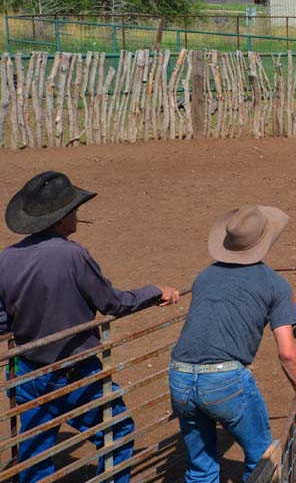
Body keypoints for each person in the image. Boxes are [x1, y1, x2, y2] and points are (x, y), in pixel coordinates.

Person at [0, 171, 181, 483]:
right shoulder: (73, 255)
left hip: (28, 372)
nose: (77, 216)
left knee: (34, 452)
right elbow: (113, 303)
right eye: (74, 210)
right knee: (117, 430)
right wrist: (154, 292)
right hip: (75, 372)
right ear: (60, 219)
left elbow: (3, 321)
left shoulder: (6, 259)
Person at [169, 204, 296, 483]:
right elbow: (288, 353)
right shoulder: (274, 284)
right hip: (223, 378)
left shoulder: (206, 275)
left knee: (200, 468)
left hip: (179, 375)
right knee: (261, 457)